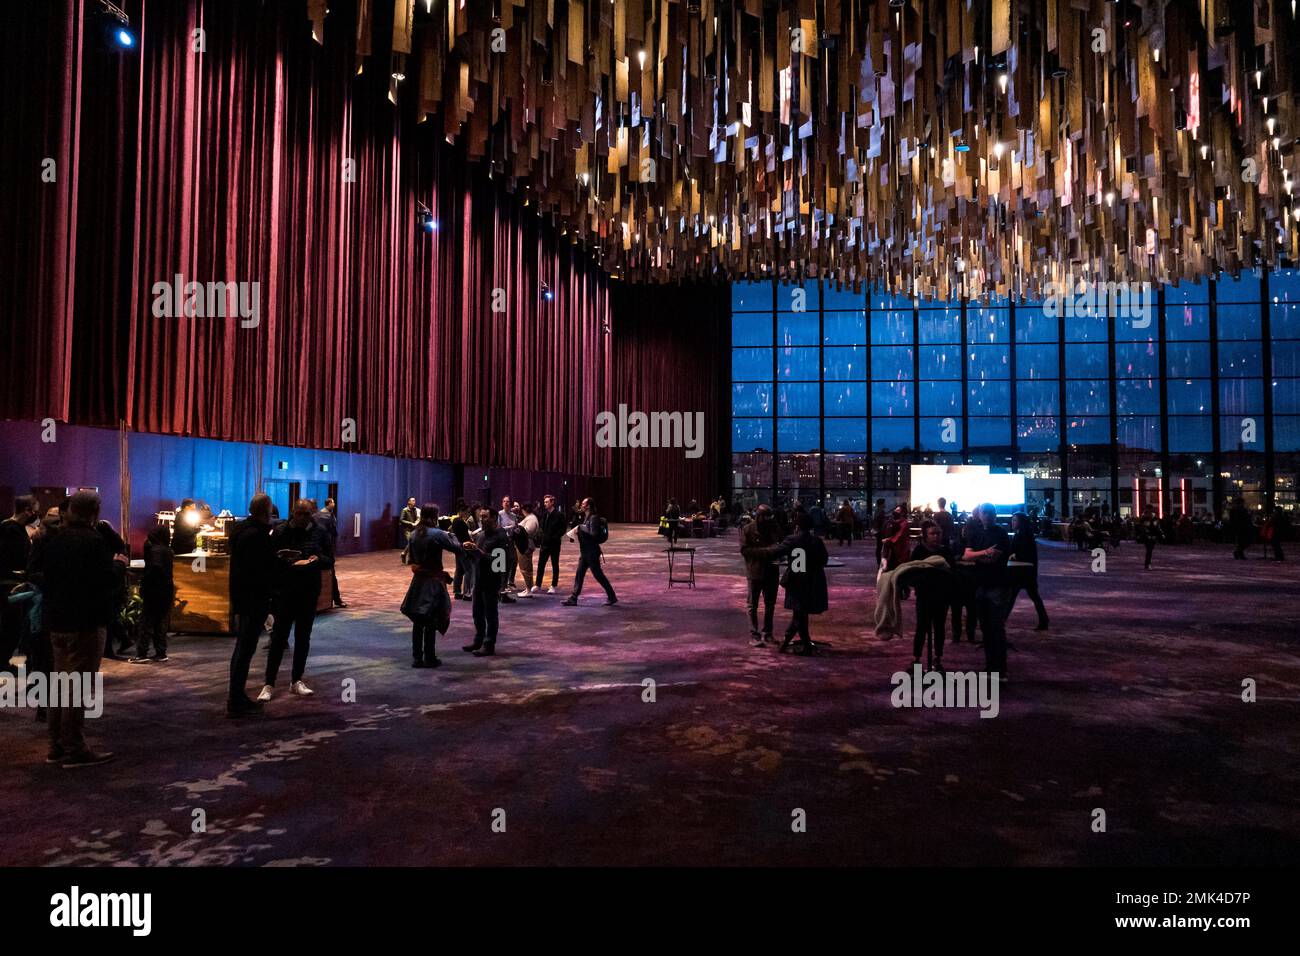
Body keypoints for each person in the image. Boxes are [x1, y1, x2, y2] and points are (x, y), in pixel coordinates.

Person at [26, 491, 116, 767]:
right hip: (85, 623)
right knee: (77, 686)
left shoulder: (51, 540)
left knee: (59, 684)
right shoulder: (93, 541)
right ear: (94, 512)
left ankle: (55, 745)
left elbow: (39, 574)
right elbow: (103, 582)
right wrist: (120, 568)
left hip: (57, 621)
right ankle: (75, 748)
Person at [257, 499, 333, 701]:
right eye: (299, 513)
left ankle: (296, 680)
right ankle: (268, 683)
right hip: (284, 592)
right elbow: (269, 560)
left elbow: (330, 560)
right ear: (293, 512)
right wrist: (282, 561)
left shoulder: (320, 532)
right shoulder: (280, 532)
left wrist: (317, 560)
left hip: (308, 592)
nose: (302, 517)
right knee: (278, 639)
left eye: (306, 514)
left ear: (312, 513)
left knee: (303, 638)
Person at [227, 493, 277, 717]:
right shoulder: (257, 536)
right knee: (245, 650)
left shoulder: (240, 531)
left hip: (241, 597)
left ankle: (236, 696)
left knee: (241, 649)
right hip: (254, 598)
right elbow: (262, 570)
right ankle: (236, 699)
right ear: (266, 511)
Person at [401, 504, 470, 667]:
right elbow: (456, 548)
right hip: (433, 582)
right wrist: (462, 542)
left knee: (418, 621)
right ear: (434, 516)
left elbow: (411, 560)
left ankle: (417, 658)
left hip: (418, 582)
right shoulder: (437, 534)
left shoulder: (413, 534)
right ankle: (430, 657)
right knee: (431, 619)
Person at [752, 512, 828, 654]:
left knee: (799, 614)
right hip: (813, 582)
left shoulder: (792, 540)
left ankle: (793, 644)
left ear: (797, 525)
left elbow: (775, 552)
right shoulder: (817, 541)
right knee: (800, 614)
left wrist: (756, 552)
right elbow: (824, 560)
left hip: (796, 581)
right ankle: (800, 644)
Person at [962, 504, 1012, 680]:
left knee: (996, 629)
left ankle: (1000, 669)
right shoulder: (976, 533)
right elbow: (967, 556)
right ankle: (991, 667)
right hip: (981, 585)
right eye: (985, 513)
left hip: (997, 585)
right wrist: (984, 553)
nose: (987, 516)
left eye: (990, 513)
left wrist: (978, 555)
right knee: (986, 628)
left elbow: (992, 558)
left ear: (994, 515)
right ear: (980, 515)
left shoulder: (1001, 533)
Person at [909, 520, 957, 671]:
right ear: (925, 535)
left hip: (942, 596)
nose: (936, 536)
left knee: (939, 628)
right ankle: (916, 659)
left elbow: (952, 573)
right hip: (924, 596)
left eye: (938, 533)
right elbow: (912, 573)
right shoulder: (919, 551)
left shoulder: (946, 551)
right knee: (921, 627)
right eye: (932, 534)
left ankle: (938, 659)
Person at [0, 494, 39, 677]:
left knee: (12, 627)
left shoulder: (11, 527)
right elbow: (18, 559)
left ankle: (4, 662)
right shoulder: (12, 530)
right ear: (28, 510)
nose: (36, 514)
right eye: (35, 510)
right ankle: (2, 663)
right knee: (11, 627)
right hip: (11, 586)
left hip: (12, 585)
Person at [463, 507, 510, 656]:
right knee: (477, 613)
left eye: (485, 517)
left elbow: (500, 562)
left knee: (490, 614)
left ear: (494, 518)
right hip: (478, 579)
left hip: (491, 580)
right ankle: (478, 640)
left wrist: (478, 552)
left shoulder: (501, 536)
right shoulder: (481, 535)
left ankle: (489, 645)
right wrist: (469, 551)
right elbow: (476, 557)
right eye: (480, 517)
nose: (481, 520)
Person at [739, 504, 782, 645]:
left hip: (771, 571)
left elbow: (780, 545)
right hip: (755, 571)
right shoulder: (748, 530)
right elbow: (745, 550)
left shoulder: (774, 527)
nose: (768, 520)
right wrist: (766, 552)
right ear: (759, 516)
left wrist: (777, 552)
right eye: (766, 517)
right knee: (753, 605)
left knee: (770, 605)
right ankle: (754, 634)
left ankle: (767, 633)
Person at [130, 526, 174, 663]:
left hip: (154, 590)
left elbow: (154, 568)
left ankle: (141, 654)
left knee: (146, 622)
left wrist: (145, 578)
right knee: (161, 622)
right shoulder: (168, 550)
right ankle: (161, 652)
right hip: (166, 590)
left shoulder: (154, 550)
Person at [562, 498, 617, 606]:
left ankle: (612, 596)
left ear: (588, 506)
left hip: (591, 552)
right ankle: (573, 598)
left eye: (583, 504)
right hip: (585, 552)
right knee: (579, 574)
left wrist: (581, 528)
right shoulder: (587, 517)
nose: (581, 505)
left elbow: (594, 534)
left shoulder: (593, 518)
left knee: (598, 575)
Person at [96, 517, 131, 660]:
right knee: (112, 617)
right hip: (118, 587)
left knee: (109, 619)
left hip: (109, 588)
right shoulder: (118, 544)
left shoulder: (101, 545)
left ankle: (110, 648)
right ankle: (122, 641)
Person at [1007, 511, 1049, 630]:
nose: (1012, 522)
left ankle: (1001, 621)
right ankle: (1044, 620)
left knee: (1012, 597)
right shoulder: (1022, 533)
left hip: (1022, 571)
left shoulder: (1024, 535)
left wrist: (1012, 556)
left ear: (1021, 522)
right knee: (1033, 597)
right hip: (1024, 571)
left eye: (1015, 520)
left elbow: (1023, 554)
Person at [315, 498, 347, 607]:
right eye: (333, 502)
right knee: (332, 575)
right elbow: (333, 533)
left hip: (316, 551)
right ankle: (337, 599)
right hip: (324, 550)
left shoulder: (315, 516)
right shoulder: (329, 517)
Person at [536, 494, 566, 594]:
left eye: (547, 502)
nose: (545, 504)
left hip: (554, 544)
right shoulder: (545, 515)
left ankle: (553, 585)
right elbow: (542, 528)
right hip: (545, 544)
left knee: (554, 564)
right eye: (544, 502)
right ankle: (538, 584)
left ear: (552, 502)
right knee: (541, 564)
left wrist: (554, 537)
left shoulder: (559, 515)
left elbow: (563, 529)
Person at [450, 499, 475, 600]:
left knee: (459, 570)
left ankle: (457, 591)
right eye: (467, 512)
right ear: (462, 511)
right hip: (465, 547)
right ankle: (467, 593)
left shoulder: (455, 521)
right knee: (468, 570)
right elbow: (465, 536)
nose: (468, 514)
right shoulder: (460, 521)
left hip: (458, 547)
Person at [513, 502, 538, 597]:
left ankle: (529, 589)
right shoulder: (529, 518)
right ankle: (528, 588)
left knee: (526, 568)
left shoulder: (531, 519)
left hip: (525, 545)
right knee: (525, 567)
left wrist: (517, 530)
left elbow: (526, 532)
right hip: (523, 544)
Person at [880, 505, 912, 570]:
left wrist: (887, 540)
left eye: (898, 510)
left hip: (901, 549)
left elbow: (899, 536)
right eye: (895, 510)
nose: (895, 512)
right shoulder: (891, 521)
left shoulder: (904, 523)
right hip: (891, 549)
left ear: (902, 513)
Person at [399, 497, 420, 564]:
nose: (414, 502)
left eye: (414, 500)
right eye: (412, 500)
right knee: (411, 542)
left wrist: (417, 522)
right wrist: (411, 523)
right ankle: (408, 557)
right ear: (409, 502)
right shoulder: (405, 510)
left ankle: (405, 555)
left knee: (412, 543)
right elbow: (401, 520)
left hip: (415, 529)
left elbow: (418, 518)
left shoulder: (416, 510)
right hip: (407, 529)